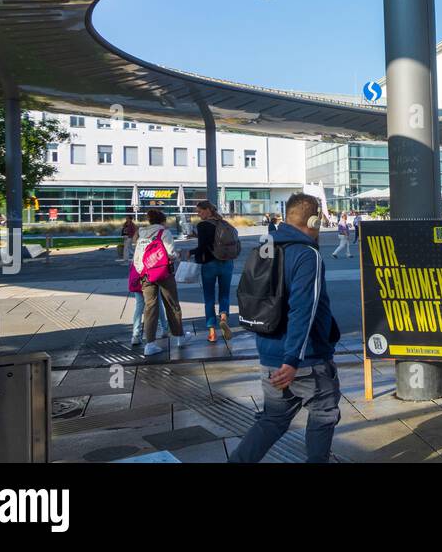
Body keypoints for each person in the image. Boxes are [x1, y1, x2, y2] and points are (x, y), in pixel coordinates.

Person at [230, 193, 342, 463]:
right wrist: (293, 360)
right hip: (305, 359)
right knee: (323, 414)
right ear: (314, 220)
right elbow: (304, 310)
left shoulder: (265, 248)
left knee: (273, 419)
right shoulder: (306, 255)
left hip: (268, 355)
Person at [132, 208, 188, 355]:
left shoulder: (141, 235)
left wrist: (143, 271)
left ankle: (149, 344)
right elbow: (170, 254)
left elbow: (136, 258)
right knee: (172, 304)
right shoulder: (164, 232)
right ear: (162, 221)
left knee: (150, 308)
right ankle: (179, 337)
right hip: (164, 274)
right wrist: (178, 254)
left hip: (146, 275)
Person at [192, 200, 235, 344]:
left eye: (200, 211)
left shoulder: (203, 225)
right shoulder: (224, 223)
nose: (198, 214)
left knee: (209, 298)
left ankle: (212, 332)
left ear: (208, 210)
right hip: (227, 263)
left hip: (210, 265)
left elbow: (202, 247)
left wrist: (190, 253)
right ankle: (223, 318)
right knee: (225, 294)